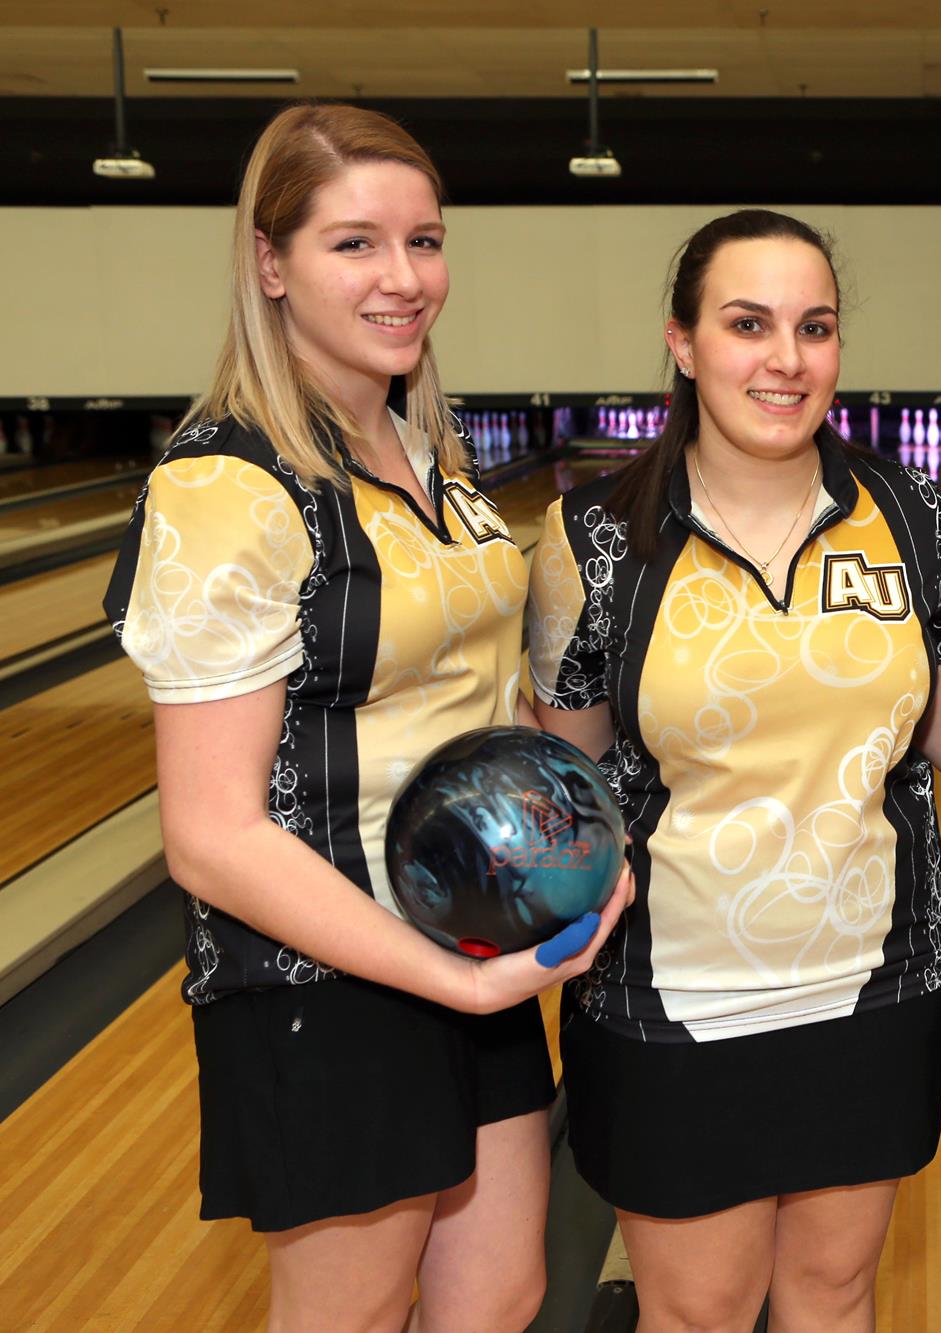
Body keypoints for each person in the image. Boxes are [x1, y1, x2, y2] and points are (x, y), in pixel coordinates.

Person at [101, 103, 627, 1332]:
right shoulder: (226, 486)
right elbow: (209, 836)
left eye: (423, 240)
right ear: (270, 264)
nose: (404, 279)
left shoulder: (423, 457)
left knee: (498, 1296)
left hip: (464, 946)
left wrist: (588, 851)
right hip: (324, 974)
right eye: (355, 245)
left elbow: (493, 717)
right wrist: (452, 980)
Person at [526, 208, 941, 1333]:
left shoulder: (912, 517)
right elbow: (565, 778)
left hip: (874, 982)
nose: (785, 359)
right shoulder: (592, 539)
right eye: (748, 324)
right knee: (700, 1310)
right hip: (666, 998)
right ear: (683, 342)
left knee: (833, 1295)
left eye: (814, 326)